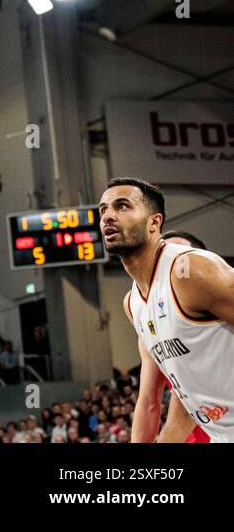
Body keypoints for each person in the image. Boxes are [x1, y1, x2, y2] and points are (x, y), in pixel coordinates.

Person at [102, 177, 234, 443]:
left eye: (122, 206)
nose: (108, 216)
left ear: (155, 222)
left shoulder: (190, 270)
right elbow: (166, 398)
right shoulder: (133, 303)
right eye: (103, 209)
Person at [130, 229, 211, 443]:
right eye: (163, 258)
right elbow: (148, 402)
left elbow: (193, 392)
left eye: (178, 258)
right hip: (192, 433)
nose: (171, 267)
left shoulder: (217, 302)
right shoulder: (145, 315)